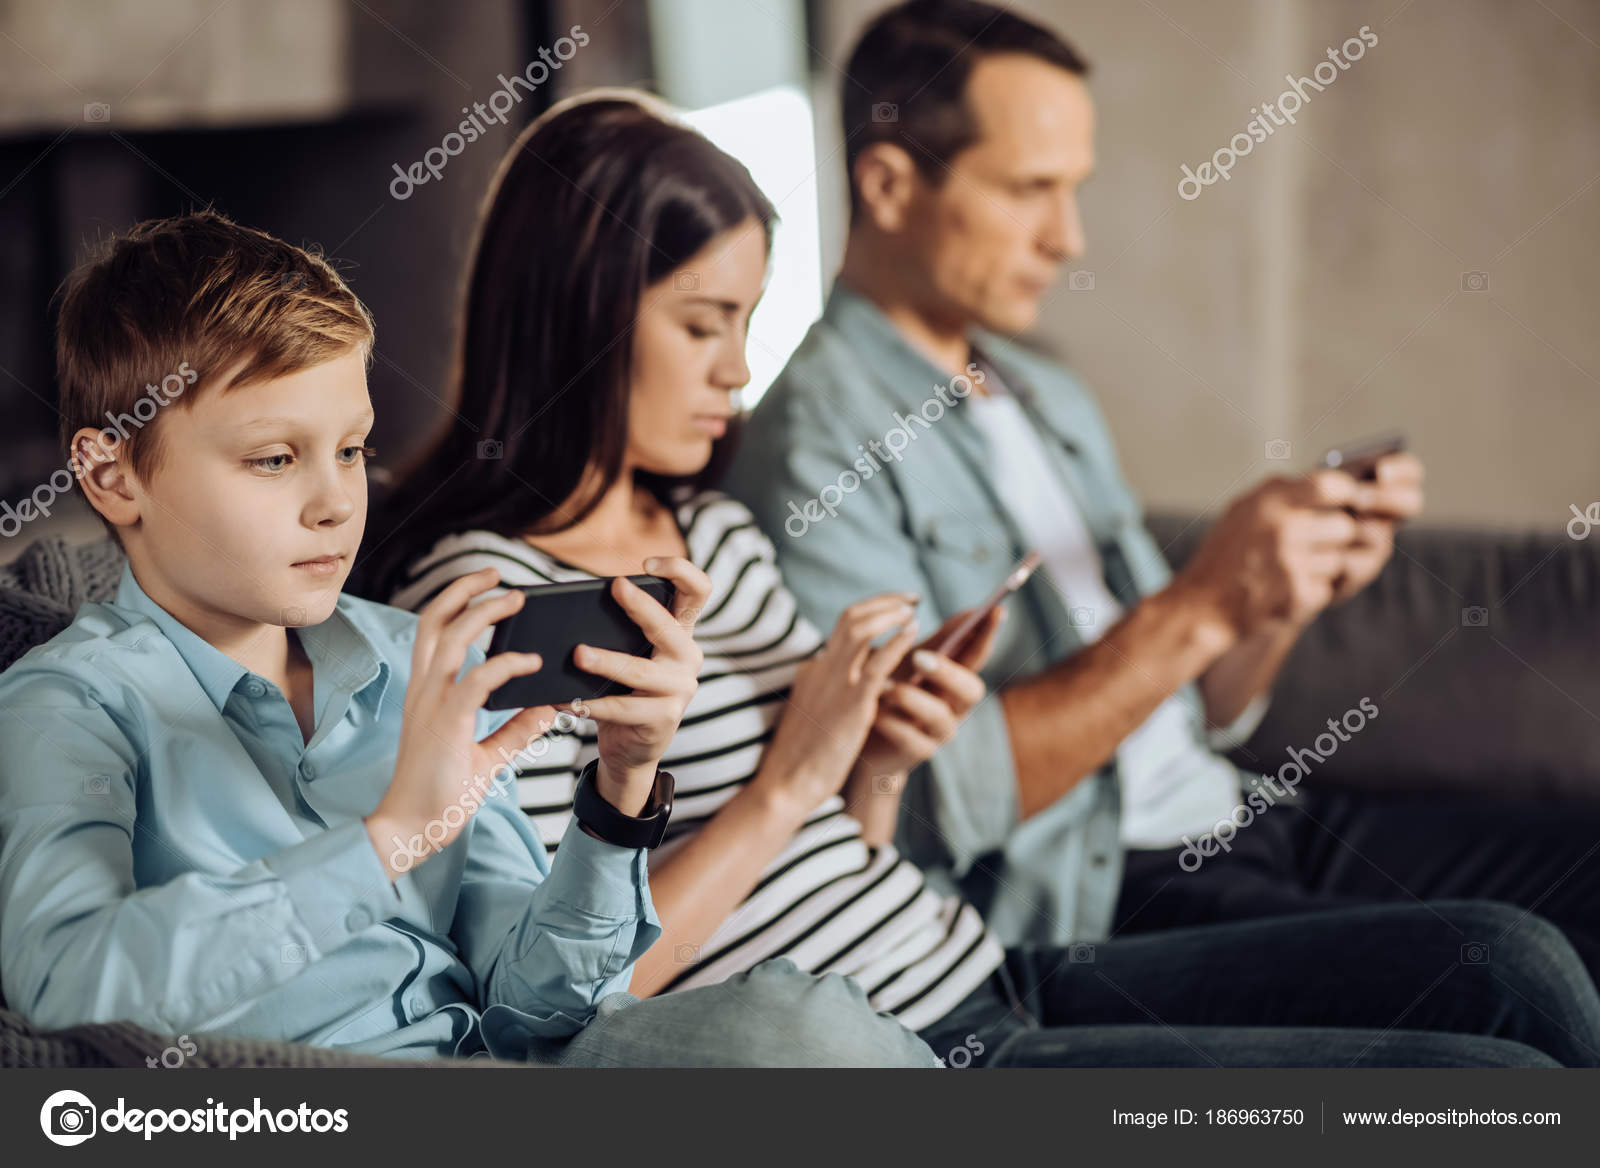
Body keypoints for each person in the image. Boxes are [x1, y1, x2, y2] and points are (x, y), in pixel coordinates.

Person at [368, 93, 1600, 1067]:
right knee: (1491, 1083)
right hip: (929, 1047)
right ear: (579, 311)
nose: (738, 370)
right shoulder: (488, 603)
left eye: (749, 320)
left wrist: (881, 759)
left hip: (990, 961)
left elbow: (848, 853)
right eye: (703, 323)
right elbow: (564, 997)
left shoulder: (710, 531)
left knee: (1514, 964)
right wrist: (791, 780)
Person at [724, 0, 1600, 979]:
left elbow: (1210, 710)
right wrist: (1199, 601)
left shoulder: (1038, 386)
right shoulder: (814, 444)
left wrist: (1270, 602)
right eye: (1030, 190)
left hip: (1247, 813)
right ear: (887, 184)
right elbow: (931, 804)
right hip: (1108, 891)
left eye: (1075, 191)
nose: (1069, 239)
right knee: (1509, 971)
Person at [0, 209, 941, 1069]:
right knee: (803, 1037)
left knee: (806, 1020)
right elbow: (65, 985)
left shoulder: (418, 655)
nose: (336, 503)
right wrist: (389, 840)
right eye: (275, 459)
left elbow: (537, 1010)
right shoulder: (69, 705)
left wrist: (619, 793)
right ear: (113, 474)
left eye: (353, 450)